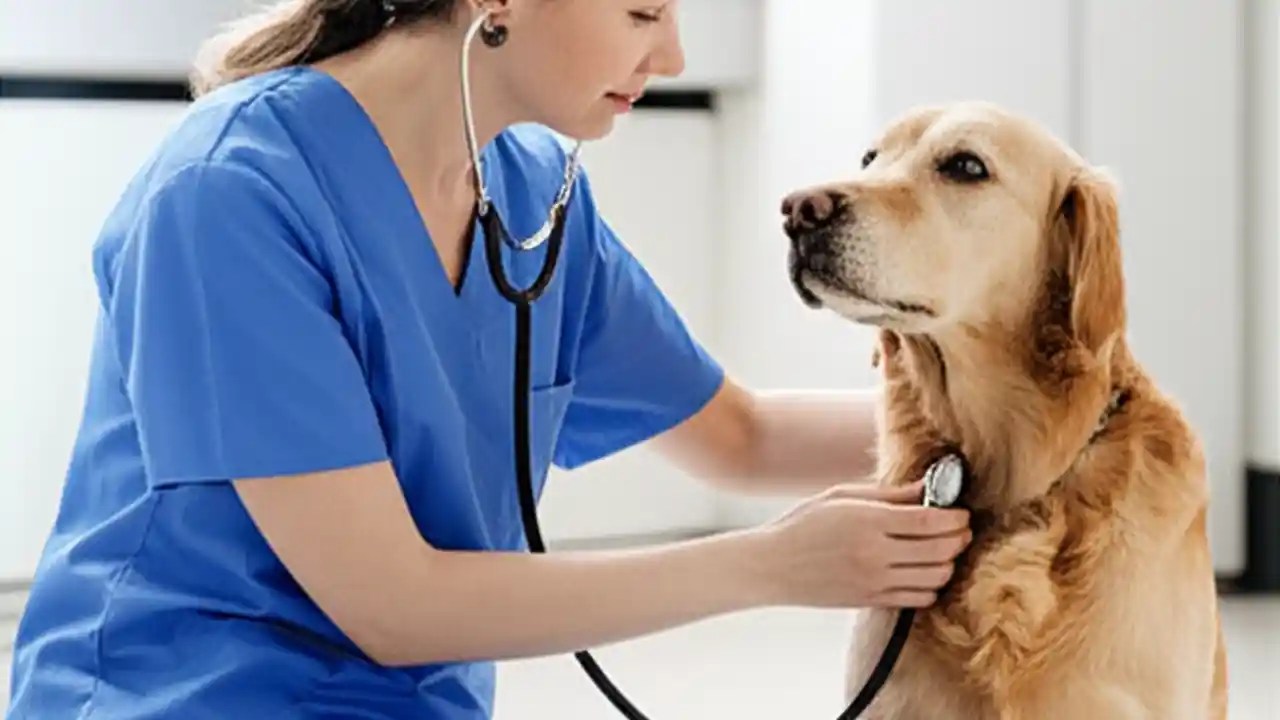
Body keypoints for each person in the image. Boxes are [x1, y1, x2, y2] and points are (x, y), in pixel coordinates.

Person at [5, 1, 972, 718]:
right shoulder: (230, 198)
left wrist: (1037, 431)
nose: (671, 54)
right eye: (643, 10)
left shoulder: (532, 196)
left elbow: (743, 438)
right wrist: (769, 567)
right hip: (181, 699)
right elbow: (394, 604)